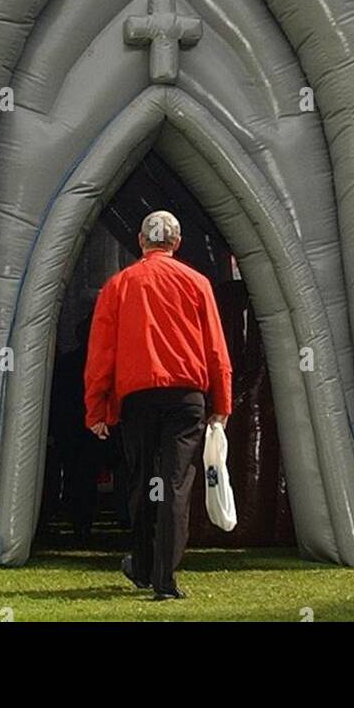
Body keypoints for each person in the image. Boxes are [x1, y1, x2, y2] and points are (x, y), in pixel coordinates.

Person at [84, 210, 232, 600]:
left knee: (146, 483)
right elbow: (216, 349)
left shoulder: (119, 285)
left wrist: (96, 408)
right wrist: (222, 401)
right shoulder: (197, 283)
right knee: (173, 484)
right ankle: (165, 577)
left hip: (138, 399)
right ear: (177, 242)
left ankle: (143, 565)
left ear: (141, 240)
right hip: (185, 398)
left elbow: (101, 354)